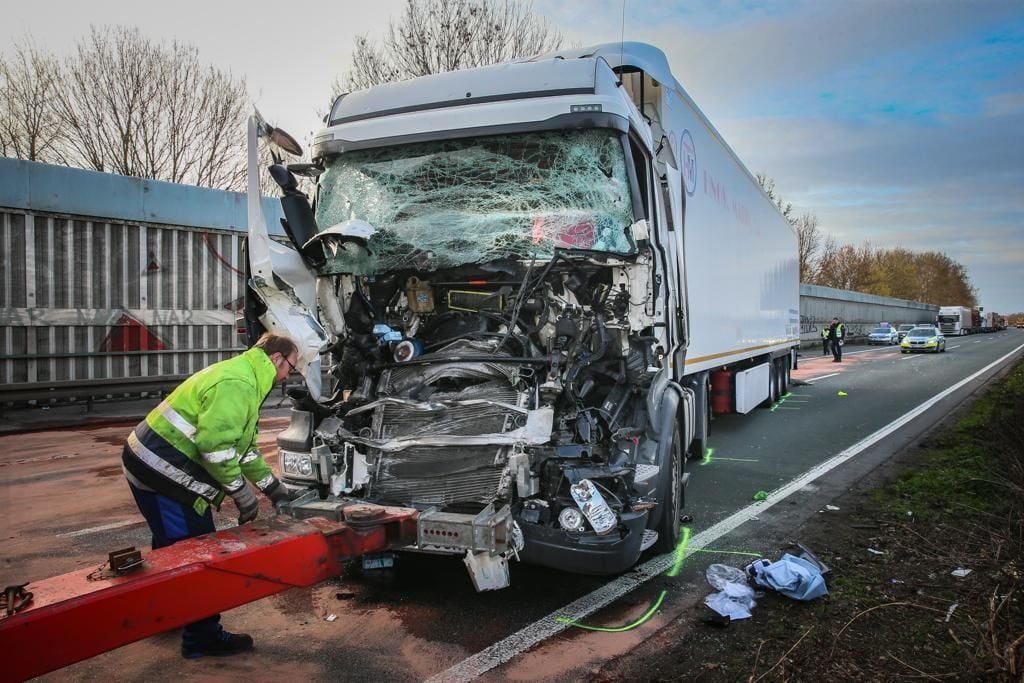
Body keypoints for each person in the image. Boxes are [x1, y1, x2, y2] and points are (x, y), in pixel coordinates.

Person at [121, 332, 298, 658]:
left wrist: (272, 488)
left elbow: (243, 450)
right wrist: (241, 494)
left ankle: (164, 614)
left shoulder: (245, 376)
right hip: (163, 472)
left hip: (151, 462)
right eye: (291, 367)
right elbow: (215, 450)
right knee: (195, 554)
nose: (288, 376)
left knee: (169, 549)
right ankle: (201, 638)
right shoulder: (239, 384)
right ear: (277, 359)